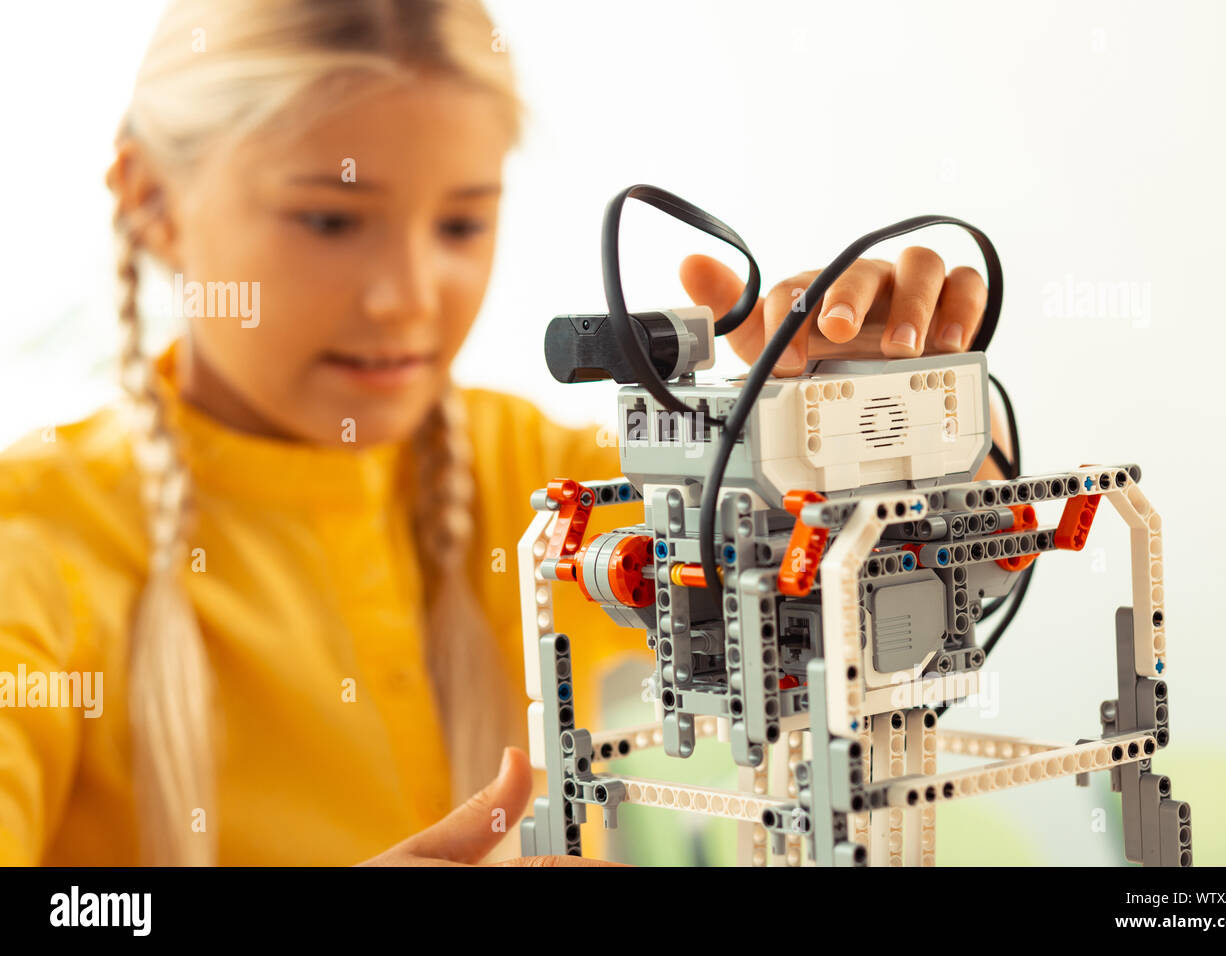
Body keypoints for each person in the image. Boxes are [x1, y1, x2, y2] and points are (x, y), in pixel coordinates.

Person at [0, 0, 1004, 867]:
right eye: (328, 221)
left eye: (460, 226)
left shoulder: (530, 472)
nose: (405, 298)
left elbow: (950, 566)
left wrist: (892, 412)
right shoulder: (33, 548)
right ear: (148, 203)